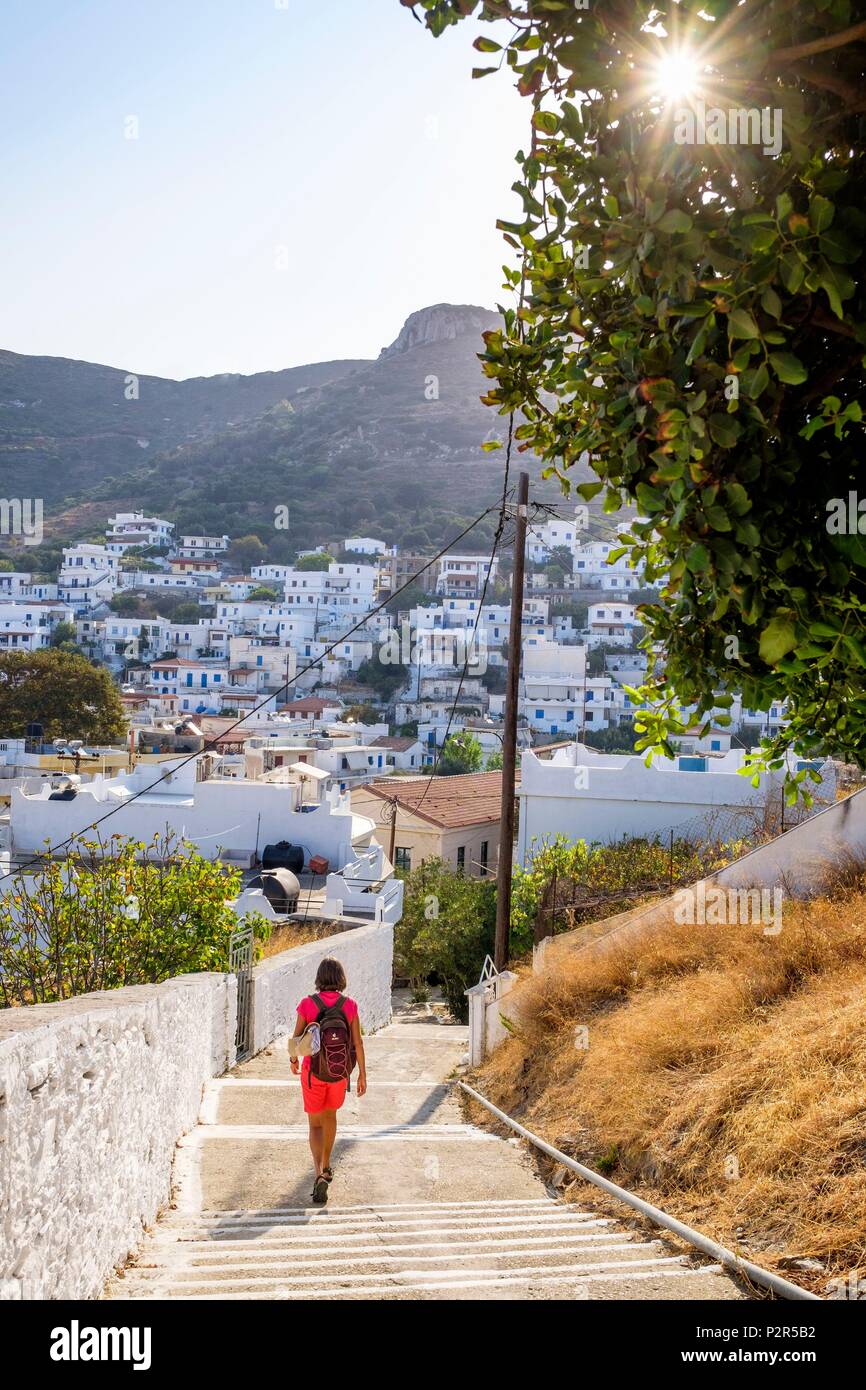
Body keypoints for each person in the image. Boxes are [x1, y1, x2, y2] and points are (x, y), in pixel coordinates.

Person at [290, 957, 366, 1205]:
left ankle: (318, 1171)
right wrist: (362, 1074)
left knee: (314, 1125)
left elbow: (296, 1040)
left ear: (319, 978)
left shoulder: (307, 1004)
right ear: (341, 978)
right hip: (338, 1073)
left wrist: (293, 1060)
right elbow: (357, 1043)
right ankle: (328, 1162)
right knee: (330, 1117)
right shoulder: (350, 1005)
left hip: (313, 1073)